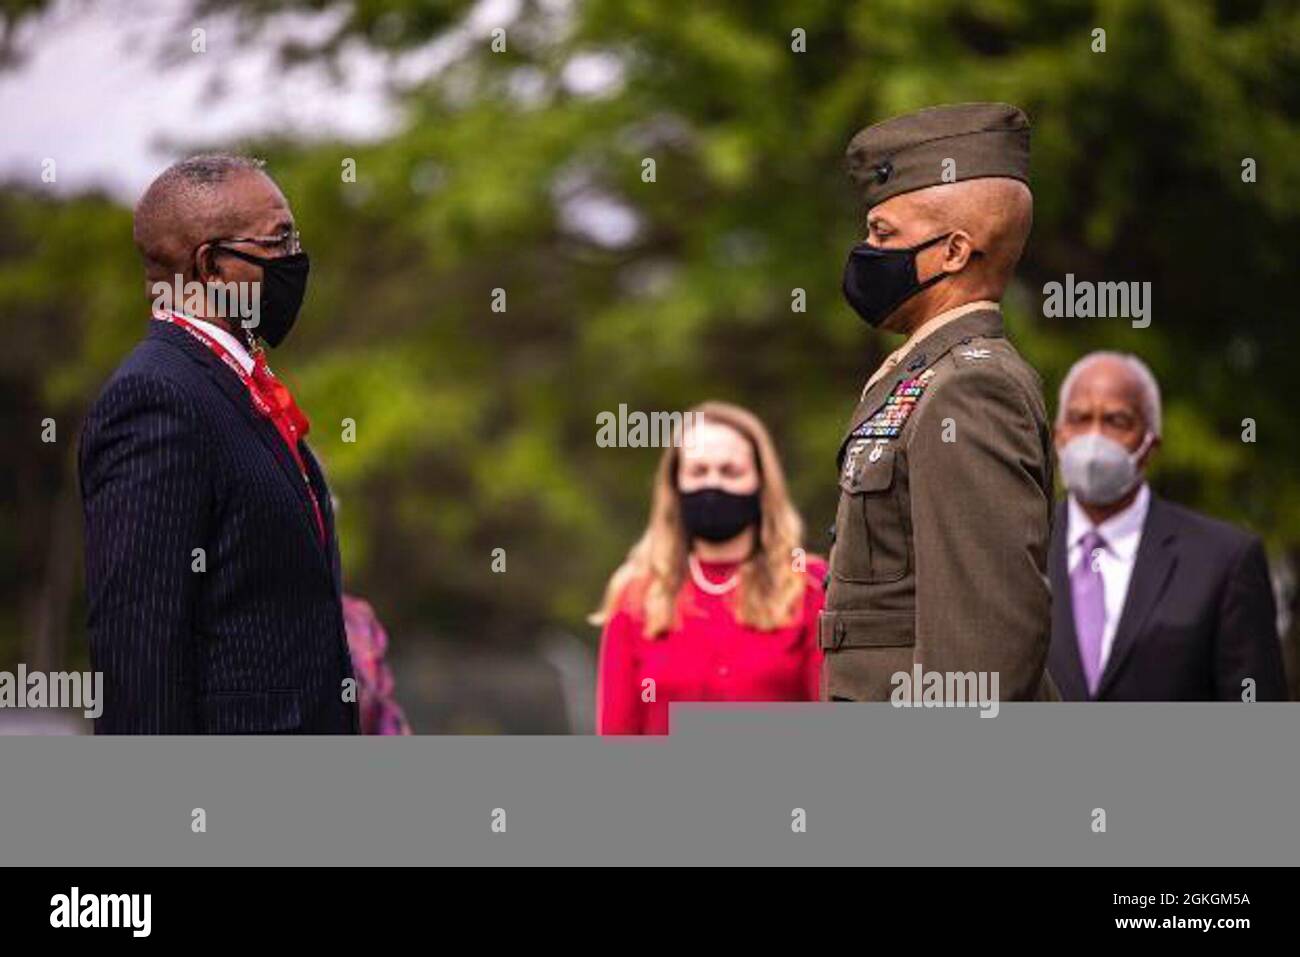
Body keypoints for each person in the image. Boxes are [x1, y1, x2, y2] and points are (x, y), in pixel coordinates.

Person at [79, 154, 358, 733]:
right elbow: (139, 651)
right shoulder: (158, 398)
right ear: (211, 266)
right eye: (278, 242)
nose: (294, 260)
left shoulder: (231, 383)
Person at [822, 102, 1056, 701]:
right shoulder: (921, 376)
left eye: (883, 236)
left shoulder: (970, 391)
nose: (866, 252)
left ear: (954, 252)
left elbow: (985, 645)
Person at [1047, 351, 1287, 700]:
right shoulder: (1015, 550)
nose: (1094, 438)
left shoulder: (1223, 561)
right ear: (1058, 435)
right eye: (1080, 418)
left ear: (1150, 443)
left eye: (1116, 421)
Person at [593, 402, 825, 735]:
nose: (712, 485)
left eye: (731, 471)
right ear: (675, 485)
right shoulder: (636, 596)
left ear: (761, 483)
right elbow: (618, 734)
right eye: (698, 472)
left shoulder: (810, 587)